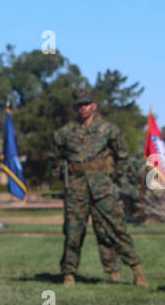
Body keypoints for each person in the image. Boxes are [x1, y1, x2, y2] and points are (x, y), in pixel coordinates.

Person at [50, 87, 146, 286]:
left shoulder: (108, 129)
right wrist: (61, 175)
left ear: (93, 106)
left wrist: (114, 177)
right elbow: (55, 159)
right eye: (79, 105)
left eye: (86, 104)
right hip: (76, 188)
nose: (83, 108)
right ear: (75, 108)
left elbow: (122, 155)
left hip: (102, 186)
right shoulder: (64, 133)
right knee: (73, 232)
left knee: (115, 229)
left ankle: (135, 269)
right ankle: (69, 272)